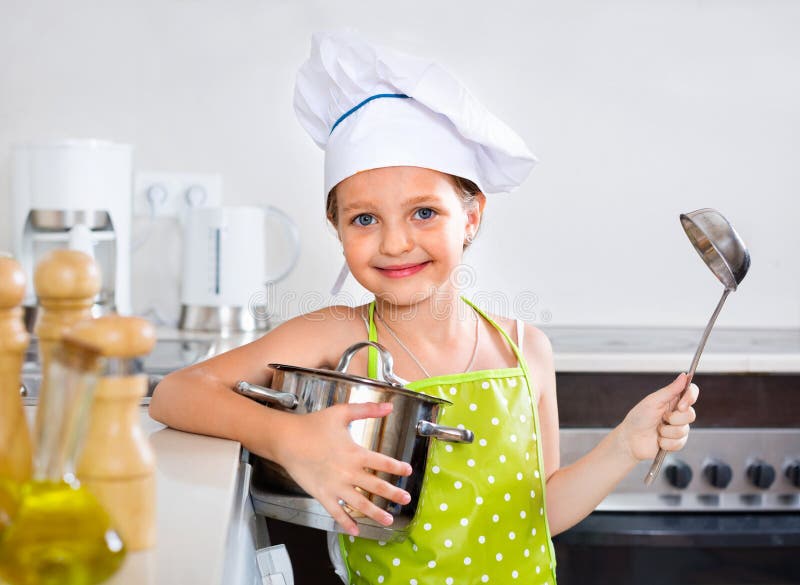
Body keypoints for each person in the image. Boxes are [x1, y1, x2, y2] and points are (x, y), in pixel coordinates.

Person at [149, 30, 699, 585]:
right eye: (364, 219)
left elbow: (538, 514)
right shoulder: (333, 338)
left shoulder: (525, 349)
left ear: (472, 217)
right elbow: (175, 393)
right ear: (337, 228)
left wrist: (626, 444)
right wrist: (290, 439)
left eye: (424, 213)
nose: (394, 243)